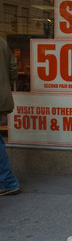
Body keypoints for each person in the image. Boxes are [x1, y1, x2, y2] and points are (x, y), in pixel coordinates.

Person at [0, 37, 20, 196]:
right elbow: (13, 66)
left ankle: (8, 181)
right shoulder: (1, 42)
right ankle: (7, 181)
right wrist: (5, 86)